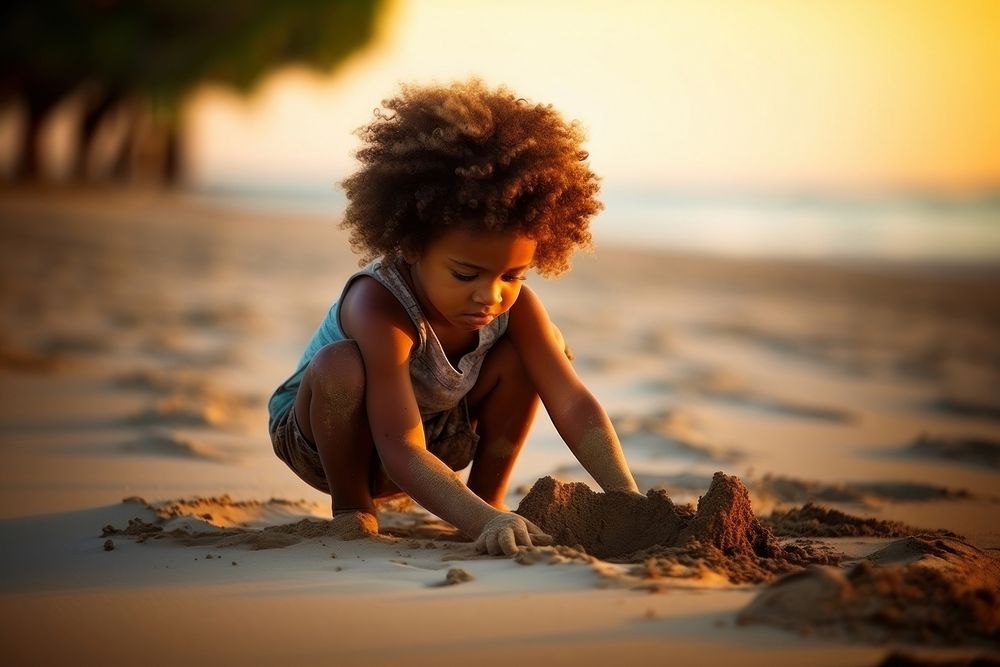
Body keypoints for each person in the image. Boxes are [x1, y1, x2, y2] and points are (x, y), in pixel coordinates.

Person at [267, 78, 640, 557]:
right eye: (466, 274)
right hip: (330, 439)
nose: (491, 294)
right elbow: (400, 444)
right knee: (340, 364)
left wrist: (624, 494)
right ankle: (352, 510)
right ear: (412, 245)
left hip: (435, 437)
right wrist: (486, 524)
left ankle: (487, 501)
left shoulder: (514, 305)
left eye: (514, 275)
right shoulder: (378, 306)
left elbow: (571, 398)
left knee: (540, 349)